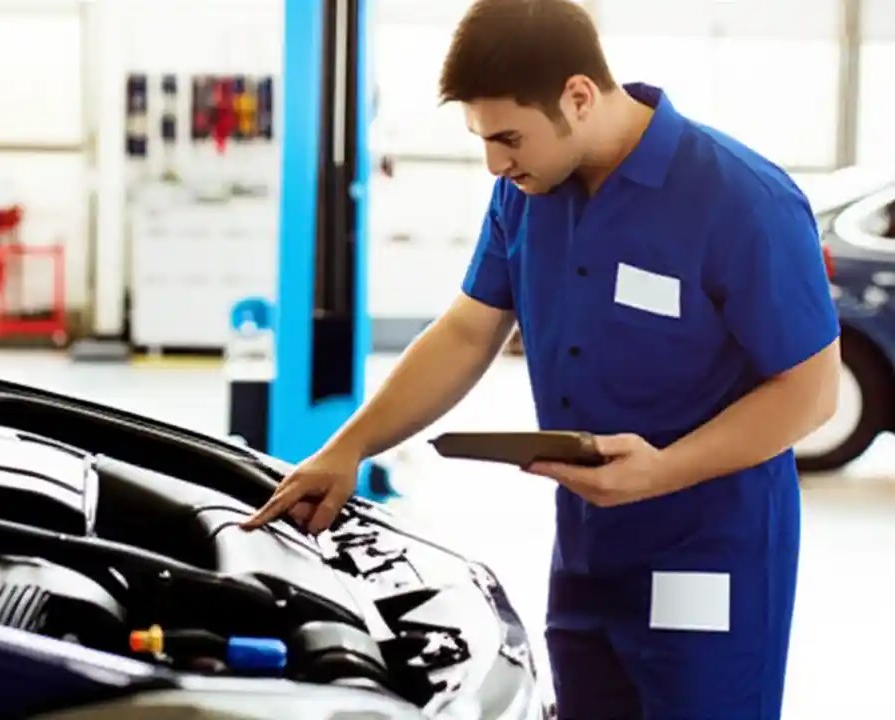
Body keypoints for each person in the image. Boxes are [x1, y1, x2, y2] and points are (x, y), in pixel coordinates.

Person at [241, 0, 841, 718]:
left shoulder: (742, 200)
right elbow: (468, 331)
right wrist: (348, 449)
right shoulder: (526, 194)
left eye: (508, 137)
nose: (496, 162)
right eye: (483, 140)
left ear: (578, 97)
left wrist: (662, 471)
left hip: (709, 555)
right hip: (588, 548)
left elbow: (810, 392)